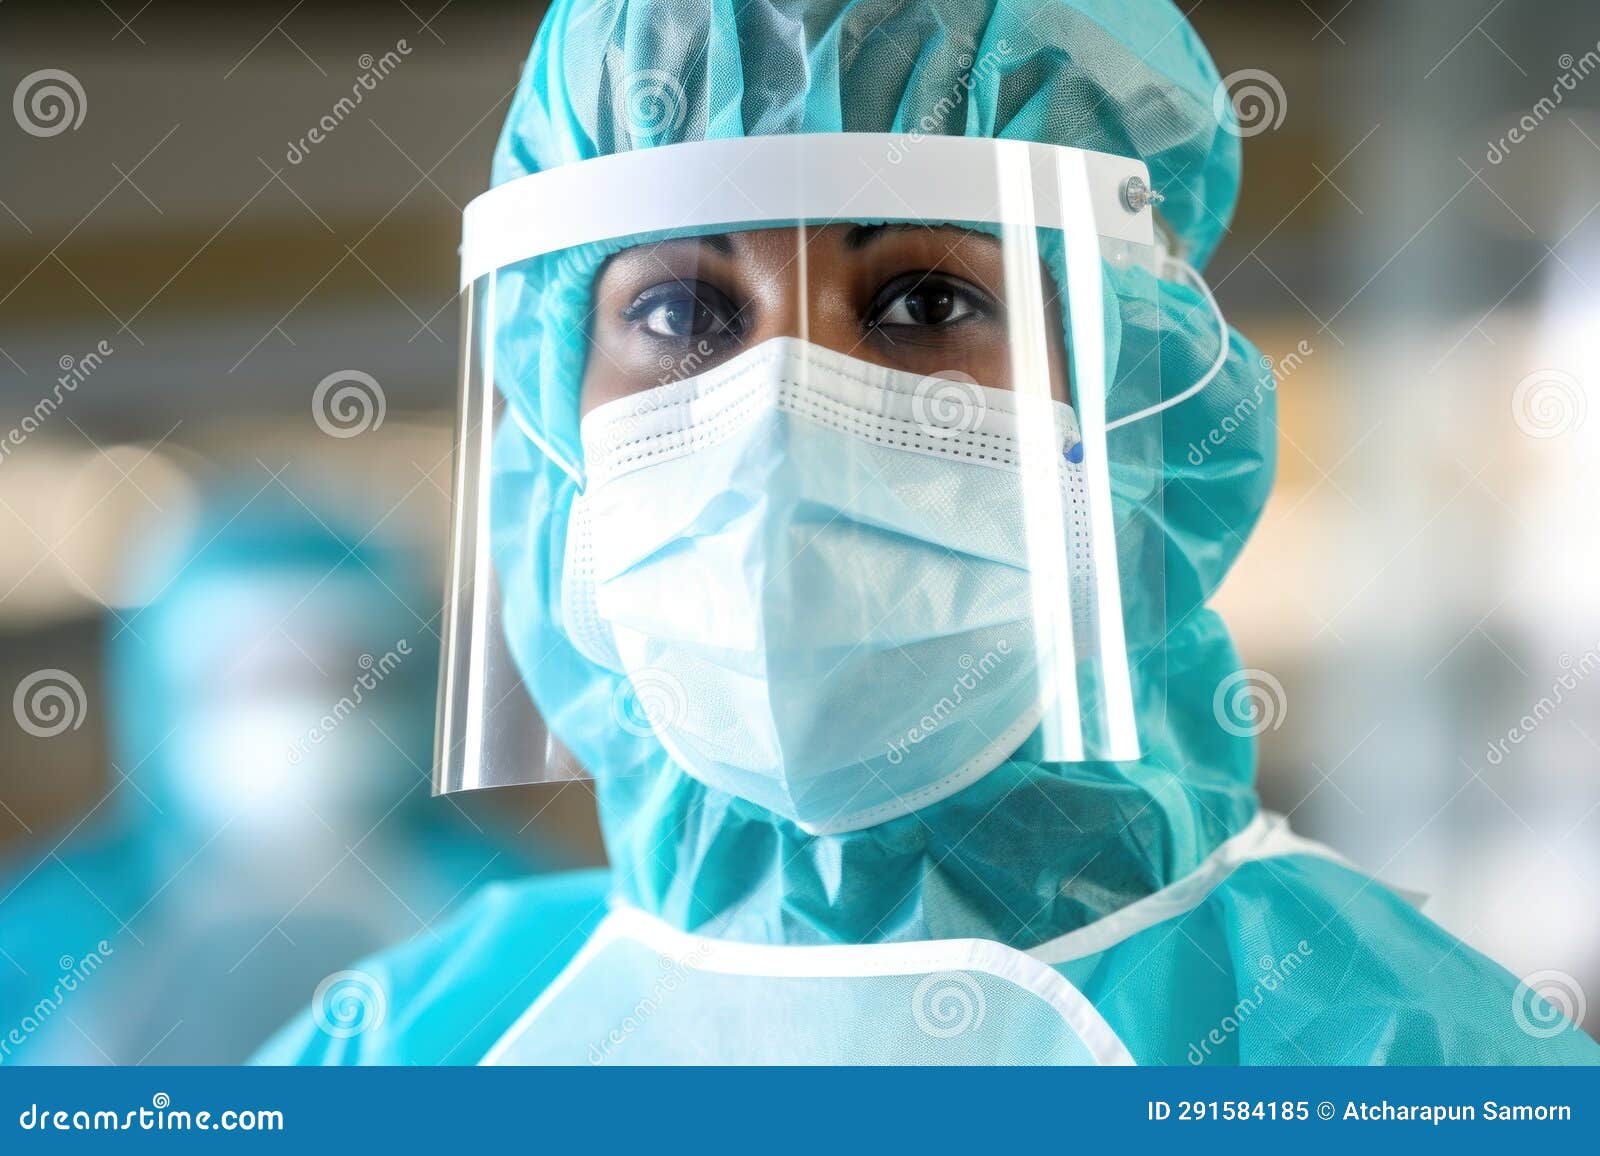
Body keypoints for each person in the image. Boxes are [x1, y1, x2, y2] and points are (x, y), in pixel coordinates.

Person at [256, 0, 1599, 1065]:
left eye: (920, 299)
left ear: (1130, 401)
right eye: (680, 315)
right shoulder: (399, 1062)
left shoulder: (1397, 1066)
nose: (778, 413)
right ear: (549, 415)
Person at [0, 492, 551, 1064]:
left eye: (340, 671)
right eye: (259, 674)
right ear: (159, 687)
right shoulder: (41, 935)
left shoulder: (525, 915)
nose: (302, 710)